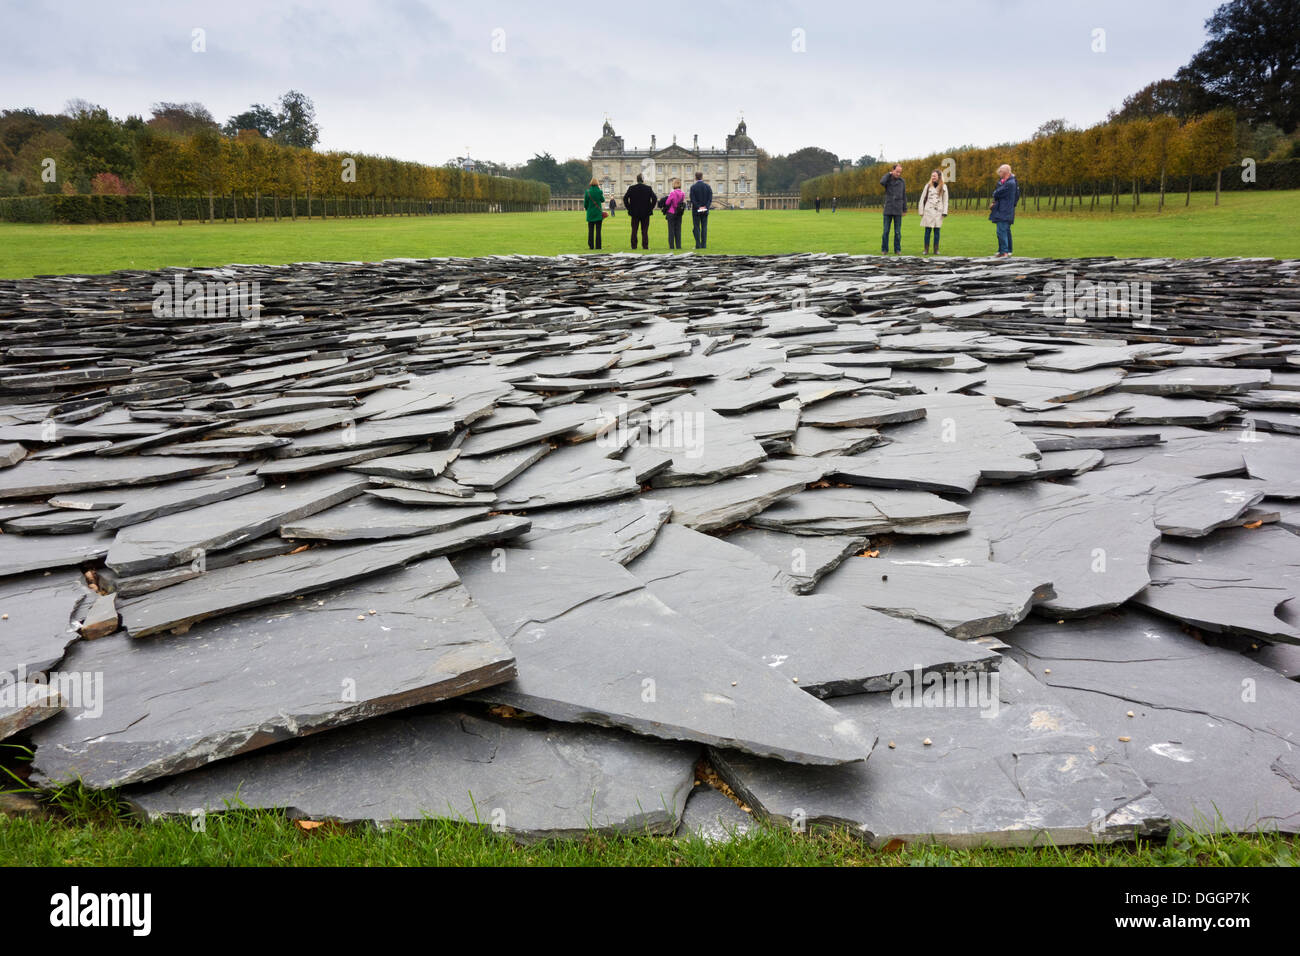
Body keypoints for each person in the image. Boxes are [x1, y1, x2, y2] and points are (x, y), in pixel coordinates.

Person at [989, 163, 1019, 257]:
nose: (999, 173)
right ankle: (1005, 250)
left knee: (1001, 230)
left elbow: (996, 193)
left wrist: (1008, 205)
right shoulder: (1005, 182)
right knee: (1005, 230)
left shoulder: (1010, 183)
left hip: (1004, 210)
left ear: (1006, 172)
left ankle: (1004, 252)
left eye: (1000, 171)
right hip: (1004, 209)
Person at [918, 169, 949, 255]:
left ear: (939, 177)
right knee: (927, 231)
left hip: (938, 211)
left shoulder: (944, 187)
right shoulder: (927, 186)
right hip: (928, 211)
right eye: (932, 176)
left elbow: (945, 200)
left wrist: (945, 212)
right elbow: (922, 198)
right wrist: (921, 211)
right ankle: (926, 249)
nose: (933, 177)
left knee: (937, 231)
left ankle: (936, 249)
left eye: (934, 176)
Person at [623, 173, 657, 250]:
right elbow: (654, 199)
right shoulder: (648, 188)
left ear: (637, 179)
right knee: (644, 230)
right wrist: (650, 208)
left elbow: (625, 198)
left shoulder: (631, 188)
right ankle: (645, 246)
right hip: (645, 212)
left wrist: (629, 208)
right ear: (643, 179)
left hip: (634, 212)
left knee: (634, 230)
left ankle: (633, 246)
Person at [880, 163, 905, 254]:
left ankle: (897, 249)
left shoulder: (902, 182)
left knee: (897, 232)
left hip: (898, 209)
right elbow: (881, 182)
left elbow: (904, 195)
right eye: (897, 171)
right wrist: (889, 174)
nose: (898, 174)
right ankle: (884, 249)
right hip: (888, 209)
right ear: (893, 170)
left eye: (900, 172)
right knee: (886, 231)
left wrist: (904, 209)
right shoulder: (887, 180)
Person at [689, 170, 713, 249]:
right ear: (702, 177)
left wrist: (699, 207)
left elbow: (692, 199)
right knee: (704, 227)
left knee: (696, 227)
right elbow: (710, 199)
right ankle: (704, 245)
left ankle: (698, 245)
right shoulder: (708, 187)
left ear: (695, 177)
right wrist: (705, 207)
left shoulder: (693, 187)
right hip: (705, 210)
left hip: (696, 210)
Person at [664, 177, 686, 250]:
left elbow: (667, 202)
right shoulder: (683, 193)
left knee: (671, 230)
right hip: (679, 213)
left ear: (674, 185)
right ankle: (678, 246)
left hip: (672, 212)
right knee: (678, 230)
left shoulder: (672, 193)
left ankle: (672, 246)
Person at [583, 177, 605, 250]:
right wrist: (599, 189)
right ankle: (598, 246)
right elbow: (603, 200)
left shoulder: (587, 192)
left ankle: (591, 246)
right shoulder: (599, 191)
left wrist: (588, 209)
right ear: (597, 184)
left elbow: (585, 204)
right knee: (598, 231)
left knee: (591, 231)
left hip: (590, 214)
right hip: (598, 214)